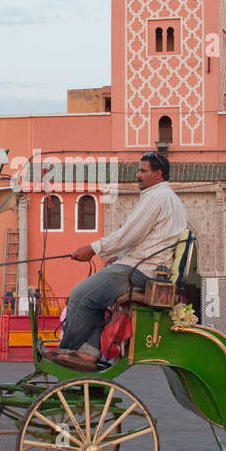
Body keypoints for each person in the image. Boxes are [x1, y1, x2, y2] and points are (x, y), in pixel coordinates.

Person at [51, 151, 188, 371]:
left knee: (80, 295)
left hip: (141, 271)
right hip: (143, 266)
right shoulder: (166, 197)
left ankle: (69, 351)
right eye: (139, 170)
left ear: (158, 174)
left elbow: (129, 234)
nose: (138, 175)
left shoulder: (158, 197)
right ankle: (88, 353)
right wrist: (117, 257)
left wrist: (93, 248)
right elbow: (147, 240)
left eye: (143, 171)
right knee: (94, 300)